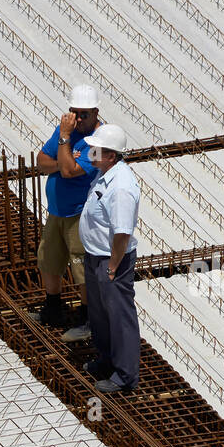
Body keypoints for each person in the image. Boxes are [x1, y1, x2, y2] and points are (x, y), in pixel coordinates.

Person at [32, 85, 100, 342]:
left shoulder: (99, 141)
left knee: (81, 265)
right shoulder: (66, 131)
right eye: (74, 113)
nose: (78, 119)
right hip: (57, 210)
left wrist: (63, 151)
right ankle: (52, 308)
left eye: (84, 114)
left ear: (95, 112)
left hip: (80, 213)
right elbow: (41, 162)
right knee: (49, 257)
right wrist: (65, 156)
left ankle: (87, 318)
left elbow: (71, 171)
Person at [77, 123, 141, 393]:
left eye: (96, 150)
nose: (91, 152)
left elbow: (122, 233)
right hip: (96, 256)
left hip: (111, 261)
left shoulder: (122, 187)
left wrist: (113, 267)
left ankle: (125, 377)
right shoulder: (105, 174)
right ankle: (106, 360)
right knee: (100, 314)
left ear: (111, 155)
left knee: (119, 317)